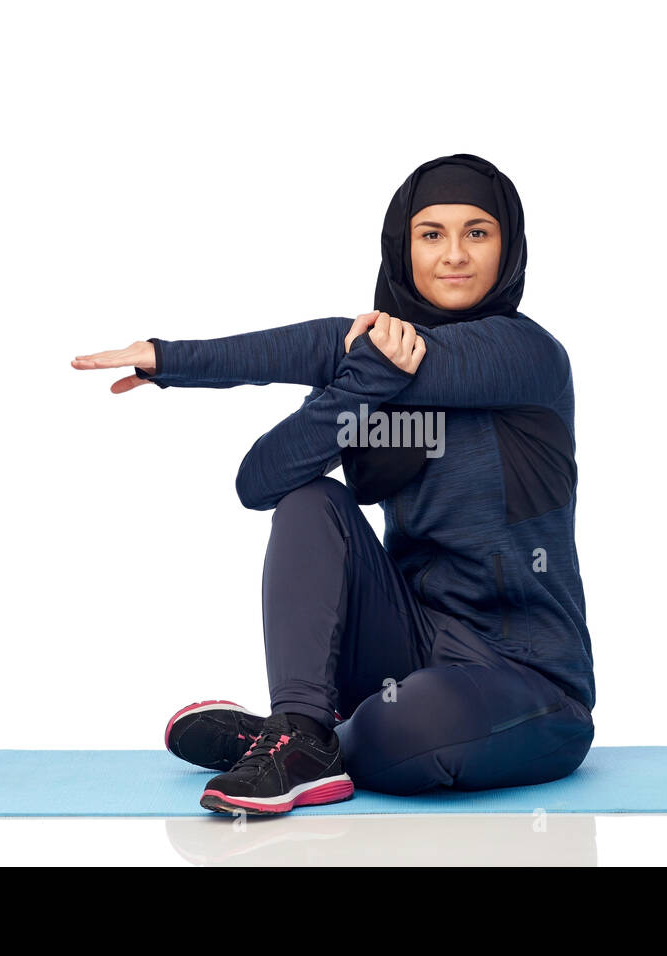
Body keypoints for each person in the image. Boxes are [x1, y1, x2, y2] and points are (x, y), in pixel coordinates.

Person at [71, 153, 595, 815]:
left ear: (507, 246)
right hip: (408, 647)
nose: (454, 254)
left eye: (478, 233)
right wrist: (171, 362)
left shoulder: (527, 356)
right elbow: (259, 480)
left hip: (528, 683)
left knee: (406, 731)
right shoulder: (375, 373)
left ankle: (297, 740)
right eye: (431, 234)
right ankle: (300, 733)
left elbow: (337, 348)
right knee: (311, 497)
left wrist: (186, 360)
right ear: (402, 247)